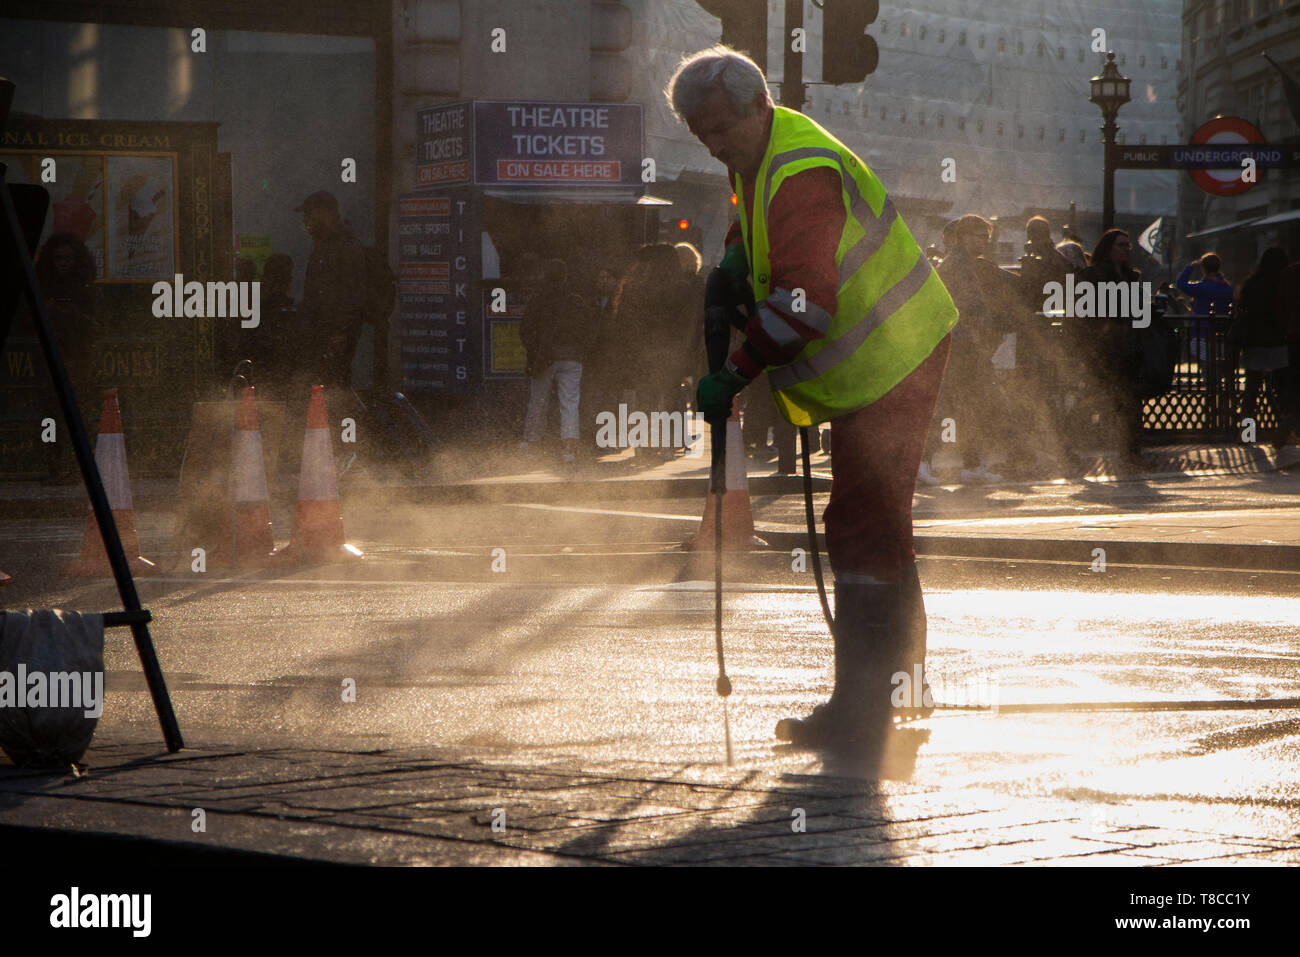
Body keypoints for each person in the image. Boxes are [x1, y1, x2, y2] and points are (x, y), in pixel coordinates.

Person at [669, 46, 958, 749]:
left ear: (756, 107)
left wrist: (735, 372)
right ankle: (901, 686)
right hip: (886, 354)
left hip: (894, 354)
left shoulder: (797, 170)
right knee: (879, 520)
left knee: (860, 523)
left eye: (721, 133)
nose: (714, 148)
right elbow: (763, 235)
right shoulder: (759, 157)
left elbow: (804, 306)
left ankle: (862, 716)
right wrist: (737, 252)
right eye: (701, 137)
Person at [292, 190, 366, 408]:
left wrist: (341, 332)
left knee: (334, 387)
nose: (305, 220)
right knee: (319, 386)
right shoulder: (321, 247)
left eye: (309, 214)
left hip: (334, 334)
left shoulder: (346, 247)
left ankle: (342, 427)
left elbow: (353, 294)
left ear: (327, 213)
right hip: (319, 334)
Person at [518, 258, 594, 464]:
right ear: (565, 276)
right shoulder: (575, 299)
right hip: (572, 358)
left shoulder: (539, 297)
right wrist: (580, 350)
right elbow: (587, 330)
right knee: (570, 402)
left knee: (538, 400)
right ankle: (569, 448)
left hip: (545, 357)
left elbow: (525, 328)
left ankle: (531, 442)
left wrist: (535, 351)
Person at [1080, 228, 1144, 463]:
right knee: (1098, 396)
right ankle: (1076, 444)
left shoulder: (1131, 276)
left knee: (1130, 399)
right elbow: (1085, 310)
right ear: (1108, 248)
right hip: (1104, 347)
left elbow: (1137, 310)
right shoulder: (1094, 274)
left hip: (1129, 346)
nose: (1126, 249)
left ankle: (1130, 452)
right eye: (1121, 245)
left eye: (1128, 245)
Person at [1234, 247, 1290, 436]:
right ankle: (1284, 427)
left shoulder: (1252, 284)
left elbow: (1242, 308)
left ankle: (1248, 434)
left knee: (1251, 392)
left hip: (1254, 342)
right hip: (1278, 342)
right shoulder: (1283, 284)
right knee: (1282, 391)